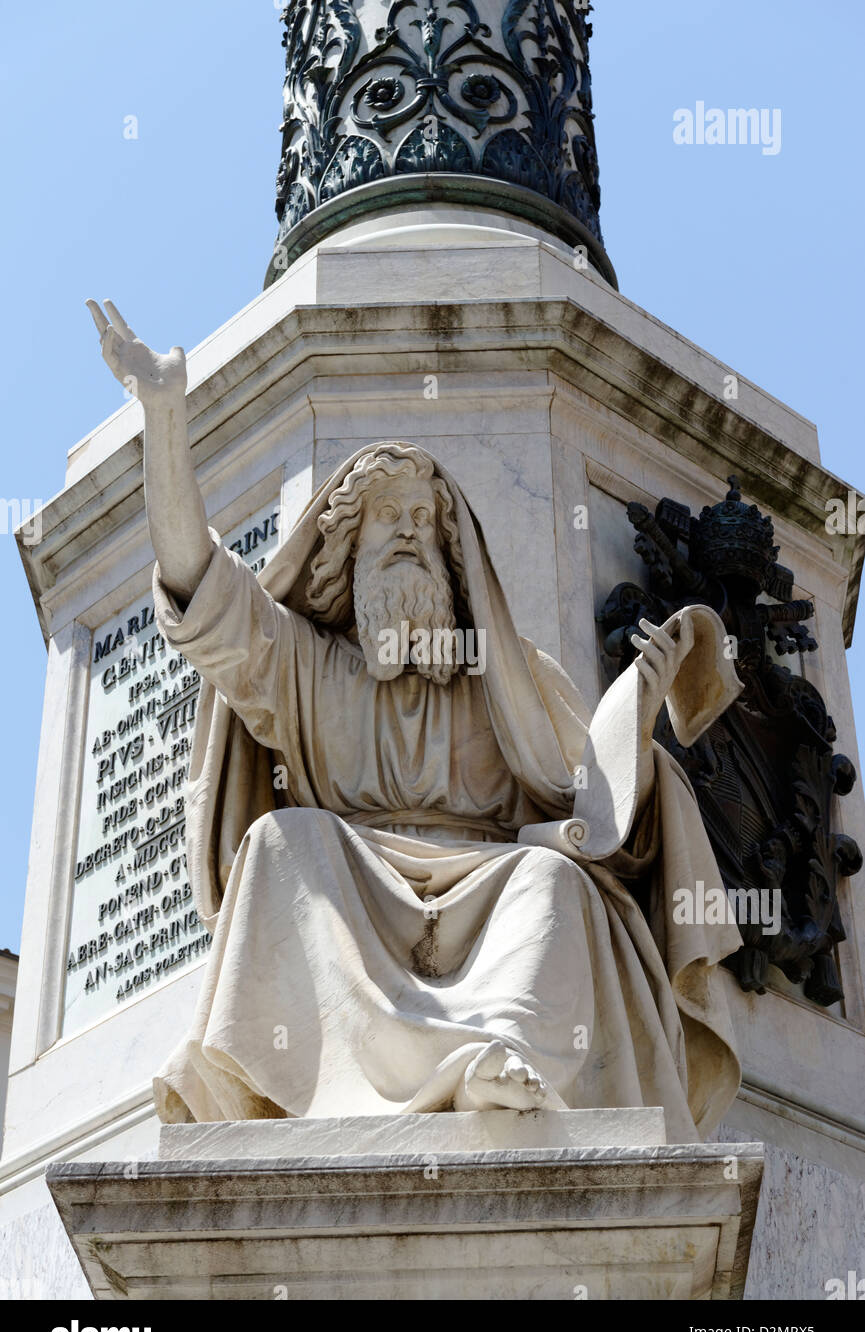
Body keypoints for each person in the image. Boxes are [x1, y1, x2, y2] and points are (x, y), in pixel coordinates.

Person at [87, 298, 742, 1140]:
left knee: (554, 883)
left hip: (490, 879)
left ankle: (500, 1057)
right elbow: (197, 586)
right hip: (352, 878)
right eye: (383, 521)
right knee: (284, 844)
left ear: (449, 555)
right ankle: (301, 1080)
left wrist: (639, 718)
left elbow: (598, 815)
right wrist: (165, 419)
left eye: (421, 523)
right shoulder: (306, 665)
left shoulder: (508, 677)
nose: (404, 532)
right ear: (347, 557)